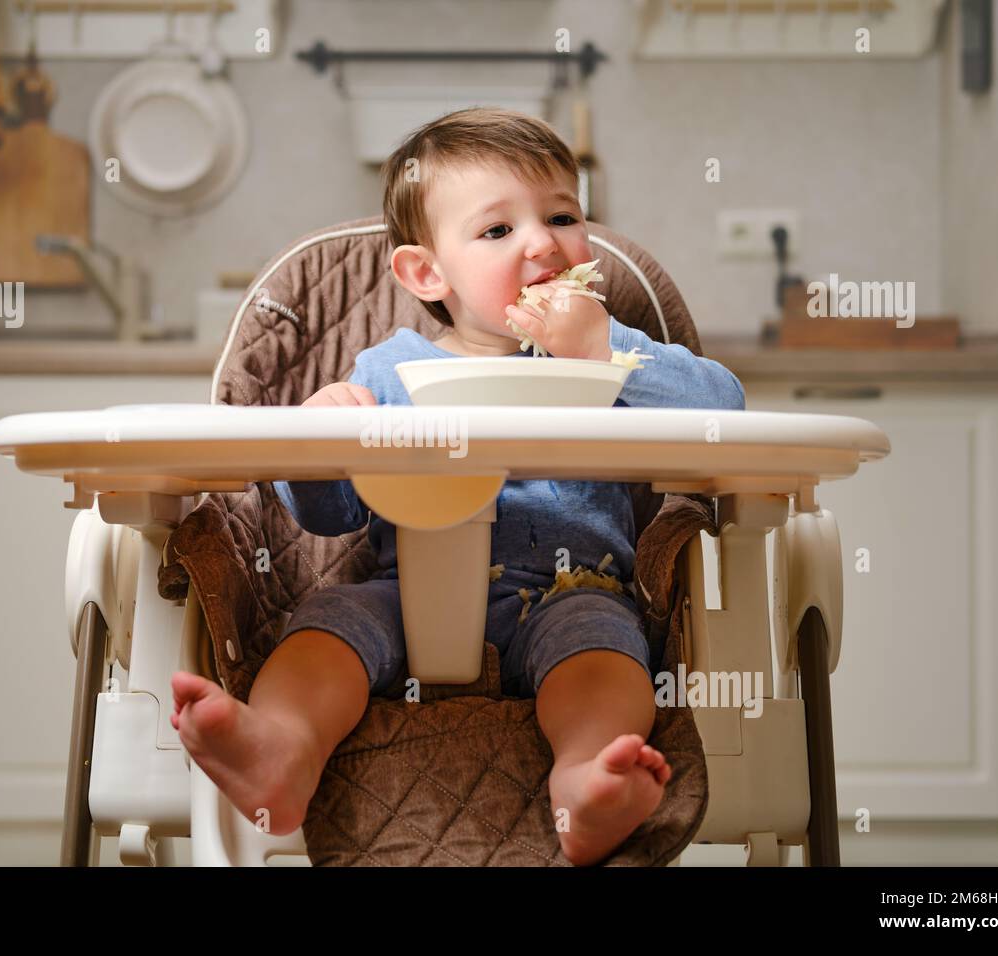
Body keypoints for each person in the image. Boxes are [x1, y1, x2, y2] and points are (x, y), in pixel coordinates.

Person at [171, 107, 745, 866]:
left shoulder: (611, 353)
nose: (544, 241)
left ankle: (585, 783)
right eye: (498, 230)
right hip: (408, 593)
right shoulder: (393, 370)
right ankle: (281, 751)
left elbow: (722, 414)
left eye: (563, 215)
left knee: (605, 658)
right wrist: (321, 439)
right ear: (426, 272)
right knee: (324, 627)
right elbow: (327, 514)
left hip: (576, 591)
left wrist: (601, 349)